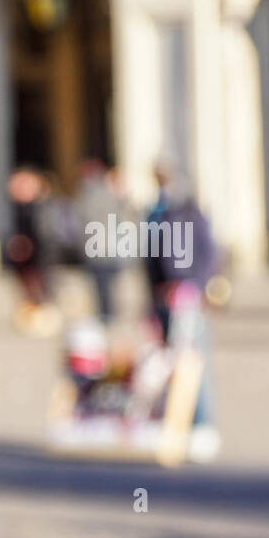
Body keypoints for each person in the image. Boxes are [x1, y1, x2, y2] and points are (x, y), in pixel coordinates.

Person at [145, 158, 221, 461]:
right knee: (169, 361)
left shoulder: (188, 210)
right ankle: (177, 421)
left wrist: (195, 284)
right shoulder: (155, 210)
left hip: (186, 293)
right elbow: (152, 256)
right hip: (163, 295)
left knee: (192, 359)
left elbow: (207, 251)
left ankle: (202, 425)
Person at [3, 166, 61, 335]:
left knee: (42, 287)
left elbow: (45, 233)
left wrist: (29, 244)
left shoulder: (42, 207)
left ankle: (45, 318)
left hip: (39, 254)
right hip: (24, 256)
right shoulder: (17, 208)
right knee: (28, 288)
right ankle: (31, 317)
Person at [75, 160, 133, 323]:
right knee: (106, 286)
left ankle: (107, 315)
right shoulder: (102, 194)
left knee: (104, 286)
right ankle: (108, 314)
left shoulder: (93, 195)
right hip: (105, 247)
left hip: (101, 248)